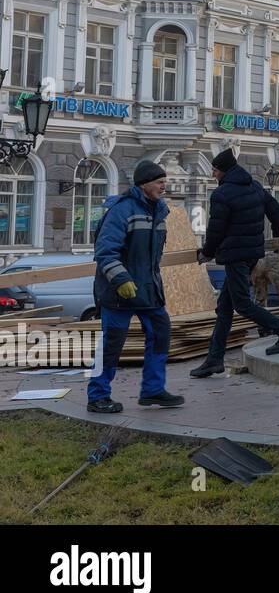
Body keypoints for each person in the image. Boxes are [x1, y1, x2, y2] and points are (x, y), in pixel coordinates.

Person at [190, 148, 279, 378]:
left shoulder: (222, 195)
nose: (213, 174)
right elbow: (278, 213)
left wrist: (207, 253)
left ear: (224, 171)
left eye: (215, 170)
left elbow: (215, 229)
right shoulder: (255, 187)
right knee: (224, 308)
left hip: (235, 256)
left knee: (241, 304)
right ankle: (214, 360)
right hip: (252, 255)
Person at [87, 160, 184, 413]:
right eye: (159, 182)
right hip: (118, 292)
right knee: (112, 344)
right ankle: (97, 396)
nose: (164, 186)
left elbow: (153, 256)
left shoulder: (160, 211)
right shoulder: (122, 210)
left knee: (161, 333)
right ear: (144, 185)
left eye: (165, 181)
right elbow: (106, 252)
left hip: (149, 290)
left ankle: (153, 390)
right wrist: (121, 280)